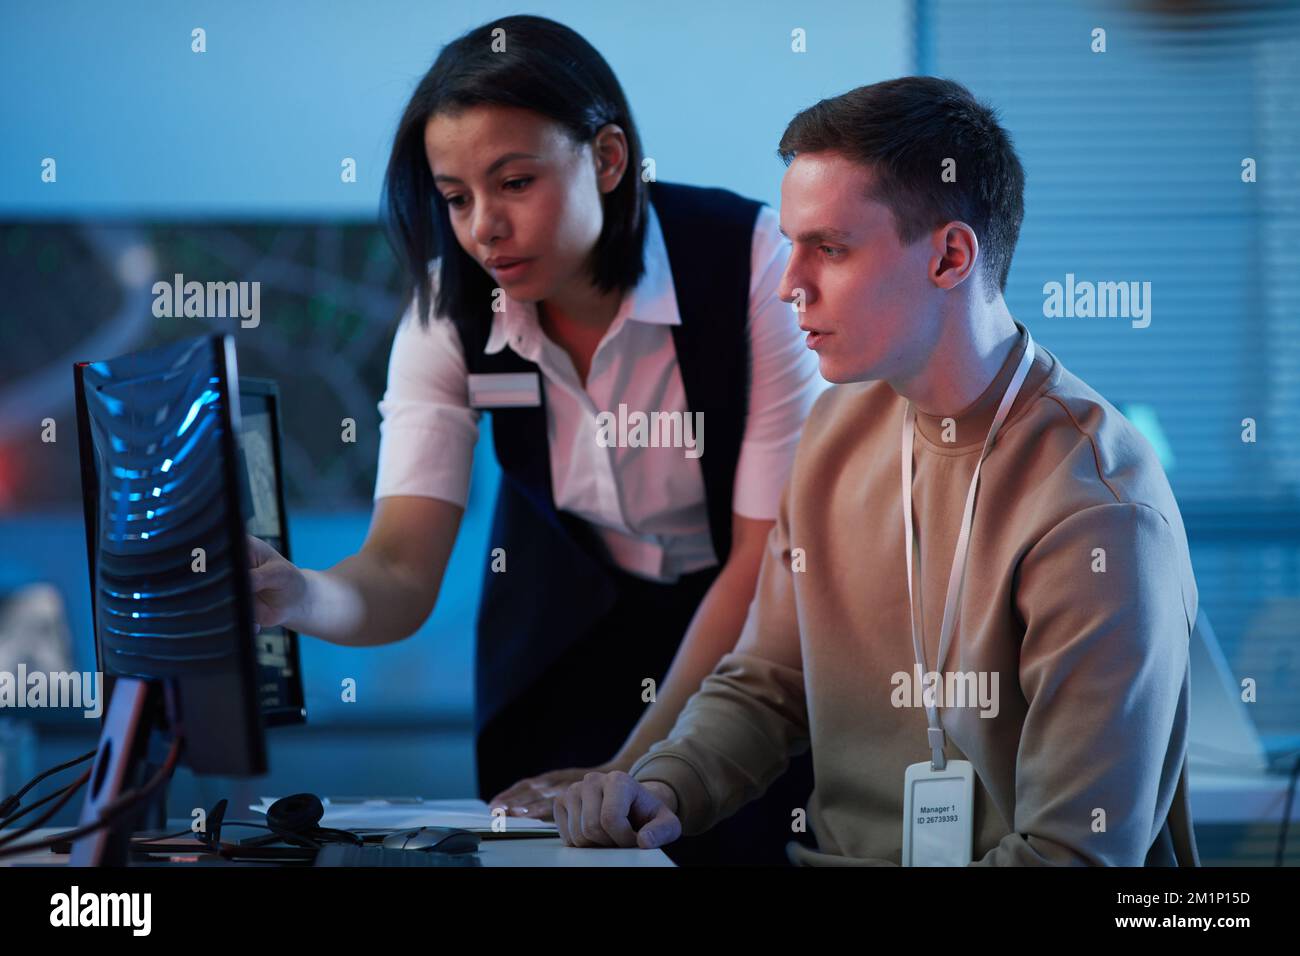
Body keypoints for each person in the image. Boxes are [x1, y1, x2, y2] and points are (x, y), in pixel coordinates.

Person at [553, 76, 1201, 866]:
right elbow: (767, 682)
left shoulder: (1099, 508)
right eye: (791, 245)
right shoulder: (837, 427)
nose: (790, 283)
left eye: (829, 248)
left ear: (950, 257)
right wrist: (659, 789)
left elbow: (1071, 857)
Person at [245, 15, 823, 865]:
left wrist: (633, 770)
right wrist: (297, 597)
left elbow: (757, 557)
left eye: (514, 182)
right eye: (456, 197)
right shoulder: (449, 312)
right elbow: (399, 571)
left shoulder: (754, 262)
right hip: (566, 630)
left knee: (736, 835)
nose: (483, 227)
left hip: (744, 619)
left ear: (608, 159)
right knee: (544, 851)